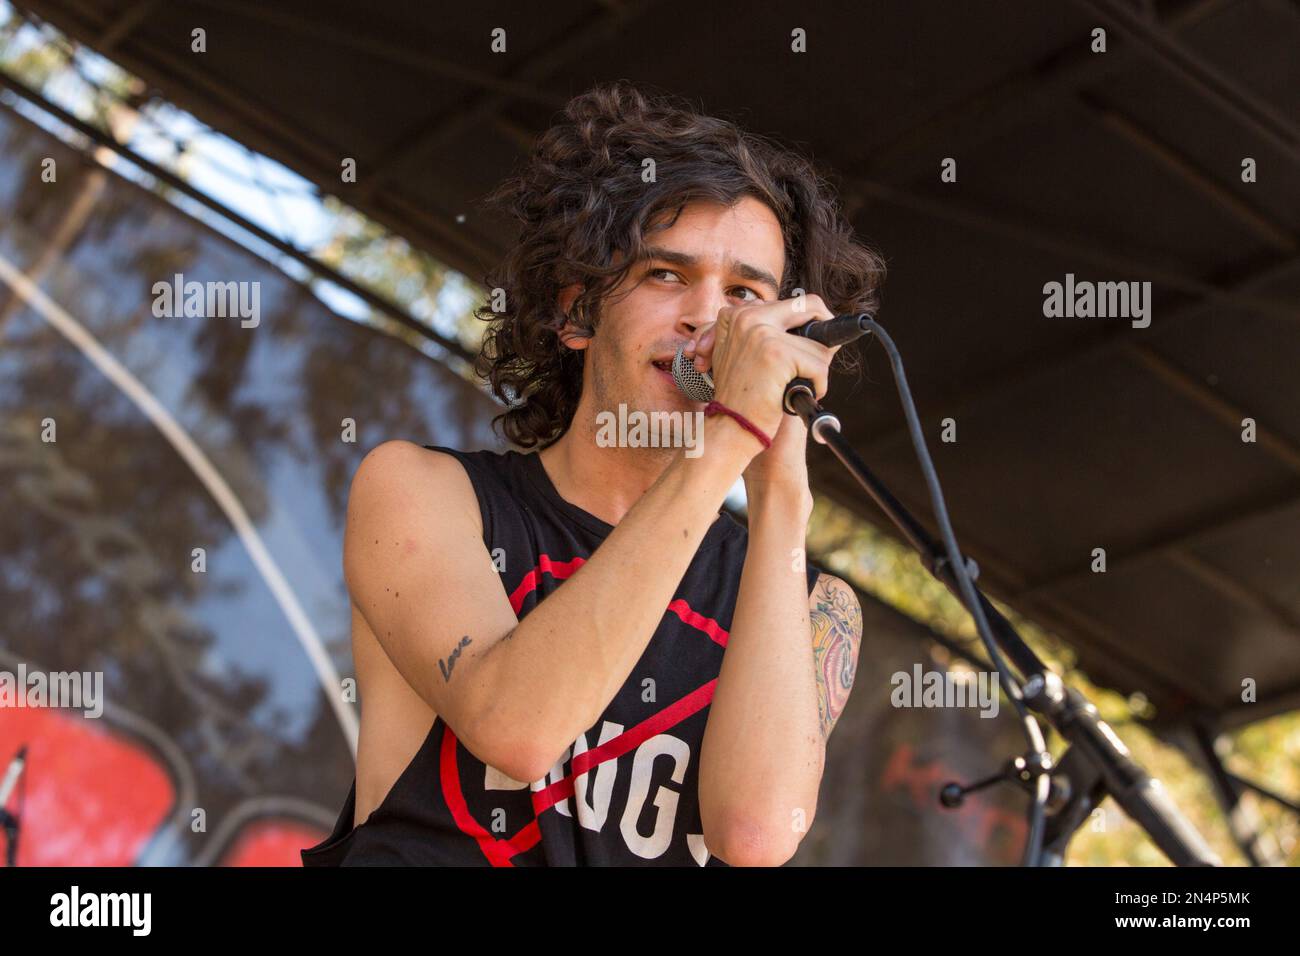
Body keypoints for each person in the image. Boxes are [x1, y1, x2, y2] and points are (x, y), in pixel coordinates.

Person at [302, 81, 883, 867]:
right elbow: (517, 725)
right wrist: (728, 440)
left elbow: (753, 834)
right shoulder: (423, 492)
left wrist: (781, 489)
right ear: (576, 313)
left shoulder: (811, 604)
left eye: (745, 295)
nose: (707, 320)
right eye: (667, 276)